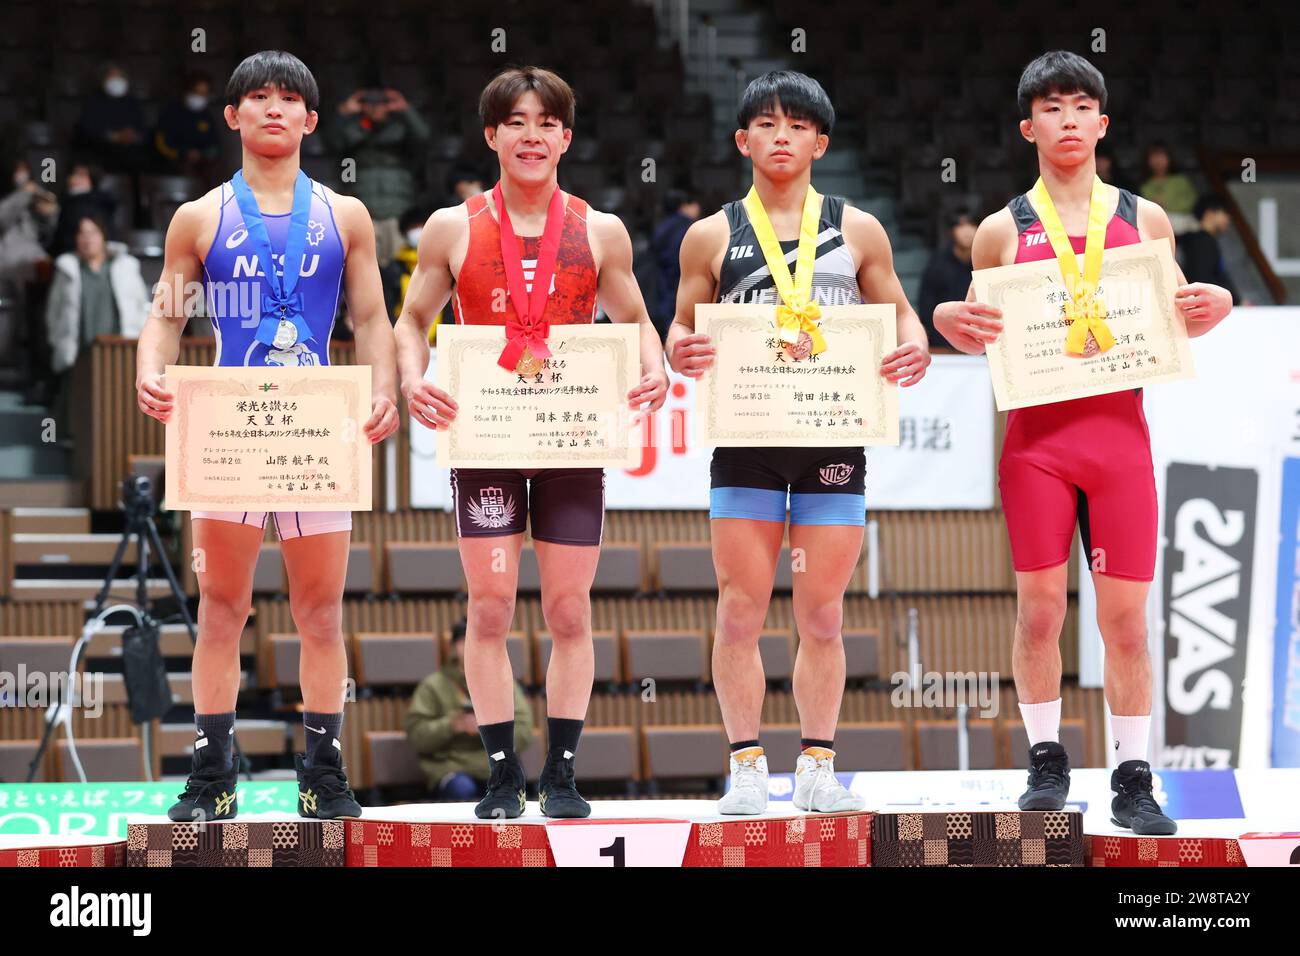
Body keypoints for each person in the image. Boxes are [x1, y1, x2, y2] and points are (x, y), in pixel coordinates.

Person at [932, 51, 1232, 835]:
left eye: (1080, 107)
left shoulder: (1145, 219)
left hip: (1118, 442)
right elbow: (978, 329)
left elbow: (1177, 314)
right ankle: (1045, 761)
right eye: (1051, 108)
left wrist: (1217, 301)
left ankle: (1134, 777)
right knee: (1038, 614)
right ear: (1027, 126)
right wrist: (947, 324)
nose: (1067, 120)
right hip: (1037, 446)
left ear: (1103, 123)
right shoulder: (1001, 229)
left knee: (1126, 624)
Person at [395, 66, 668, 819]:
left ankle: (564, 774)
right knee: (488, 607)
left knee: (570, 610)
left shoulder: (599, 229)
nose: (531, 134)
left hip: (569, 442)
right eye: (515, 121)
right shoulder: (453, 226)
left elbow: (638, 320)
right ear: (492, 136)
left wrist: (654, 366)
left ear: (566, 138)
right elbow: (409, 322)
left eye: (546, 122)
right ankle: (499, 774)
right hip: (485, 440)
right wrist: (413, 380)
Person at [135, 50, 400, 822]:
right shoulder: (200, 216)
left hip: (317, 429)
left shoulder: (344, 215)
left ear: (313, 120)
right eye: (259, 97)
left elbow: (373, 319)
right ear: (233, 116)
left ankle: (321, 772)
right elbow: (166, 316)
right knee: (221, 607)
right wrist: (150, 370)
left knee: (320, 613)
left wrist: (384, 388)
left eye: (290, 99)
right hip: (229, 428)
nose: (274, 109)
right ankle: (213, 777)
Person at [665, 71, 931, 815]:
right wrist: (679, 350)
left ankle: (817, 764)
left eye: (797, 125)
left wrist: (915, 349)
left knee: (821, 616)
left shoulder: (859, 229)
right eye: (766, 124)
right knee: (739, 611)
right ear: (742, 139)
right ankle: (746, 765)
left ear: (821, 141)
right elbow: (681, 326)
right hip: (747, 440)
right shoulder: (712, 234)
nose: (782, 137)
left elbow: (903, 315)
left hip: (830, 440)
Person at [405, 619, 536, 800]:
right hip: (452, 767)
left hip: (496, 764)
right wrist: (452, 725)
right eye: (465, 640)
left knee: (510, 788)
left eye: (479, 640)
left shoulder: (504, 683)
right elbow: (417, 736)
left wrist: (492, 731)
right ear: (453, 647)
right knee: (462, 790)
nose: (473, 646)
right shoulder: (433, 686)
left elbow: (524, 730)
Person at [333, 86, 430, 267]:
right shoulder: (353, 130)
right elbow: (334, 142)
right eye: (370, 103)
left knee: (400, 266)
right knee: (366, 267)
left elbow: (423, 137)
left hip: (398, 212)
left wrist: (405, 109)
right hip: (365, 212)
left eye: (381, 103)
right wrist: (344, 113)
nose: (376, 108)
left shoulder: (400, 129)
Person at [916, 209, 976, 349]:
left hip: (981, 342)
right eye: (960, 226)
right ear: (951, 231)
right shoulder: (937, 264)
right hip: (944, 345)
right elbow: (926, 307)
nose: (966, 231)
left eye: (971, 224)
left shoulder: (985, 261)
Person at [155, 71, 221, 187]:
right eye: (197, 92)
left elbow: (214, 145)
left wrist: (201, 154)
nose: (200, 97)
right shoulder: (170, 113)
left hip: (202, 164)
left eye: (204, 94)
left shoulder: (207, 116)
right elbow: (162, 144)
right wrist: (184, 153)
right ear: (187, 91)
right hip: (174, 162)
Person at [650, 189, 701, 338]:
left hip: (663, 278)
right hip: (680, 277)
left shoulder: (661, 226)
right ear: (684, 206)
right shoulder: (690, 227)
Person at [1178, 194, 1241, 304]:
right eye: (1225, 213)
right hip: (1207, 307)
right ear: (1210, 214)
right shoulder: (1203, 242)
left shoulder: (1195, 240)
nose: (1228, 219)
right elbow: (1204, 280)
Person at [1139, 142, 1196, 218]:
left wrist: (1166, 204)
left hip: (1184, 220)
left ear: (1169, 158)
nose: (1157, 160)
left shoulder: (1181, 181)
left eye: (1161, 156)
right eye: (1153, 156)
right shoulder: (1145, 186)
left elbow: (1192, 202)